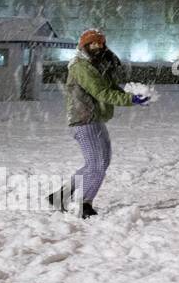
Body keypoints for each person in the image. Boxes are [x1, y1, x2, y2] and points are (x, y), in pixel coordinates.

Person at [50, 29, 150, 218]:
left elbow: (110, 88)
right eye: (93, 44)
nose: (98, 47)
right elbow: (101, 93)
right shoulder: (80, 66)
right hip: (83, 120)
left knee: (99, 162)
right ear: (84, 46)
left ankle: (60, 196)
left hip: (94, 119)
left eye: (100, 43)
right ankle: (83, 204)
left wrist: (134, 95)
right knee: (96, 165)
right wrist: (131, 100)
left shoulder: (96, 64)